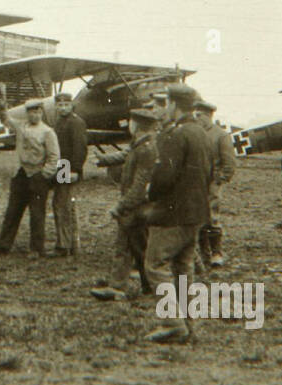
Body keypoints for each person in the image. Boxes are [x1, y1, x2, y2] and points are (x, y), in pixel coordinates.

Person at [142, 84, 211, 343]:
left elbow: (164, 175)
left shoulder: (176, 134)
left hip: (172, 212)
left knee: (155, 265)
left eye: (167, 103)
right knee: (183, 267)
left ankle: (172, 323)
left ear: (173, 104)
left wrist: (151, 191)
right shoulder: (201, 132)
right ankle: (187, 322)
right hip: (195, 212)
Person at [91, 106, 159, 301]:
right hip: (134, 206)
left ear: (136, 125)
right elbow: (124, 156)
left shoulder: (146, 149)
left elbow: (139, 184)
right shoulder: (139, 144)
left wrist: (121, 206)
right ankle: (120, 286)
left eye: (131, 121)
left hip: (136, 207)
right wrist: (103, 159)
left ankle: (143, 287)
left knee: (137, 248)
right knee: (130, 247)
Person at [0, 99, 59, 257]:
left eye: (38, 112)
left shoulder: (47, 132)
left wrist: (45, 174)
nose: (36, 115)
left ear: (42, 113)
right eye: (32, 112)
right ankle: (3, 246)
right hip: (20, 175)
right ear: (28, 113)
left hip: (38, 176)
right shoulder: (21, 126)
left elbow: (54, 157)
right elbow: (6, 120)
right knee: (12, 212)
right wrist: (2, 107)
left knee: (37, 214)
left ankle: (36, 249)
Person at [193, 99, 235, 267]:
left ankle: (216, 252)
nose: (197, 118)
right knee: (198, 217)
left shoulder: (220, 135)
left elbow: (229, 161)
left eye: (199, 115)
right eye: (195, 115)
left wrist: (220, 179)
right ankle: (204, 253)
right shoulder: (196, 133)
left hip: (212, 183)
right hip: (196, 183)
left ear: (208, 116)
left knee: (212, 217)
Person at [48, 92, 87, 257]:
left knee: (62, 205)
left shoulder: (76, 123)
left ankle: (65, 246)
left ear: (71, 105)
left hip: (67, 167)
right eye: (60, 105)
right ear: (56, 106)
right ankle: (71, 244)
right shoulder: (59, 122)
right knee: (62, 204)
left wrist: (75, 170)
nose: (63, 108)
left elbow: (80, 148)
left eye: (66, 105)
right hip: (60, 166)